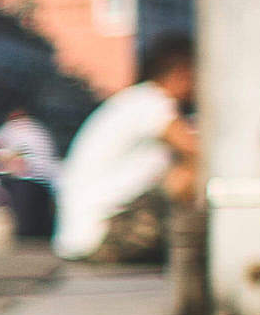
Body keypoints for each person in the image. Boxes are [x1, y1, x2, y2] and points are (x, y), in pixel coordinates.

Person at [54, 33, 198, 262]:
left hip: (81, 238)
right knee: (193, 169)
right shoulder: (152, 102)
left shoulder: (133, 101)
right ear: (182, 72)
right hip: (103, 234)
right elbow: (197, 149)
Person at [0, 98, 60, 240]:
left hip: (26, 178)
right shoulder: (39, 128)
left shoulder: (14, 127)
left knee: (25, 219)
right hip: (46, 178)